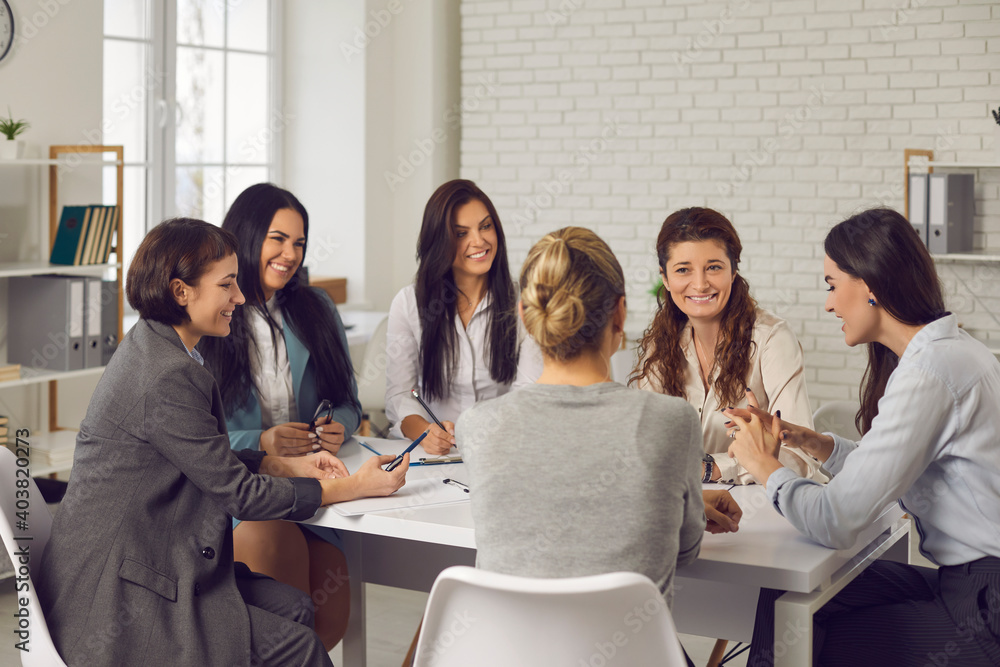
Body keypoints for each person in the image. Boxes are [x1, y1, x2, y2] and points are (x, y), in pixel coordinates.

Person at [36, 219, 408, 666]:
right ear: (181, 292)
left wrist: (284, 465)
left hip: (147, 561)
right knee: (300, 645)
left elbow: (203, 459)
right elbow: (239, 496)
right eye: (227, 285)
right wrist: (350, 487)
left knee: (297, 607)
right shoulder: (165, 375)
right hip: (121, 594)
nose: (240, 297)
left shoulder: (158, 348)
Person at [451, 227, 742, 666]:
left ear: (527, 317)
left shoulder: (477, 427)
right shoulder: (670, 422)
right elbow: (684, 550)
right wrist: (682, 500)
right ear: (620, 314)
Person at [727, 208, 1000, 665]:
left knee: (804, 634)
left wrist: (765, 466)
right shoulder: (951, 353)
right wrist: (812, 442)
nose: (830, 304)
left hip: (982, 605)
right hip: (971, 585)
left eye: (832, 285)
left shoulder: (930, 373)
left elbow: (835, 520)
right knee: (784, 595)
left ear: (870, 285)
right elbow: (884, 467)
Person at [198, 183, 360, 651]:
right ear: (247, 237)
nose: (290, 253)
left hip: (314, 487)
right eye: (278, 238)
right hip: (243, 493)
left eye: (299, 242)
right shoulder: (212, 316)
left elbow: (346, 399)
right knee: (286, 629)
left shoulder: (317, 308)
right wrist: (262, 440)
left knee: (330, 622)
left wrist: (339, 427)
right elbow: (196, 433)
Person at [631, 207, 826, 485]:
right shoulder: (659, 345)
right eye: (683, 270)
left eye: (713, 267)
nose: (699, 284)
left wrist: (711, 468)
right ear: (665, 277)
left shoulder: (772, 338)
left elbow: (800, 457)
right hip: (691, 507)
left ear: (733, 271)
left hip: (772, 509)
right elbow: (644, 446)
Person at [385, 179, 543, 454]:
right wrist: (424, 432)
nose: (479, 241)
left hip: (505, 451)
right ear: (438, 241)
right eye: (461, 233)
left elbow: (527, 393)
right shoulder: (409, 303)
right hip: (436, 457)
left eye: (485, 226)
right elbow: (400, 395)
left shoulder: (525, 302)